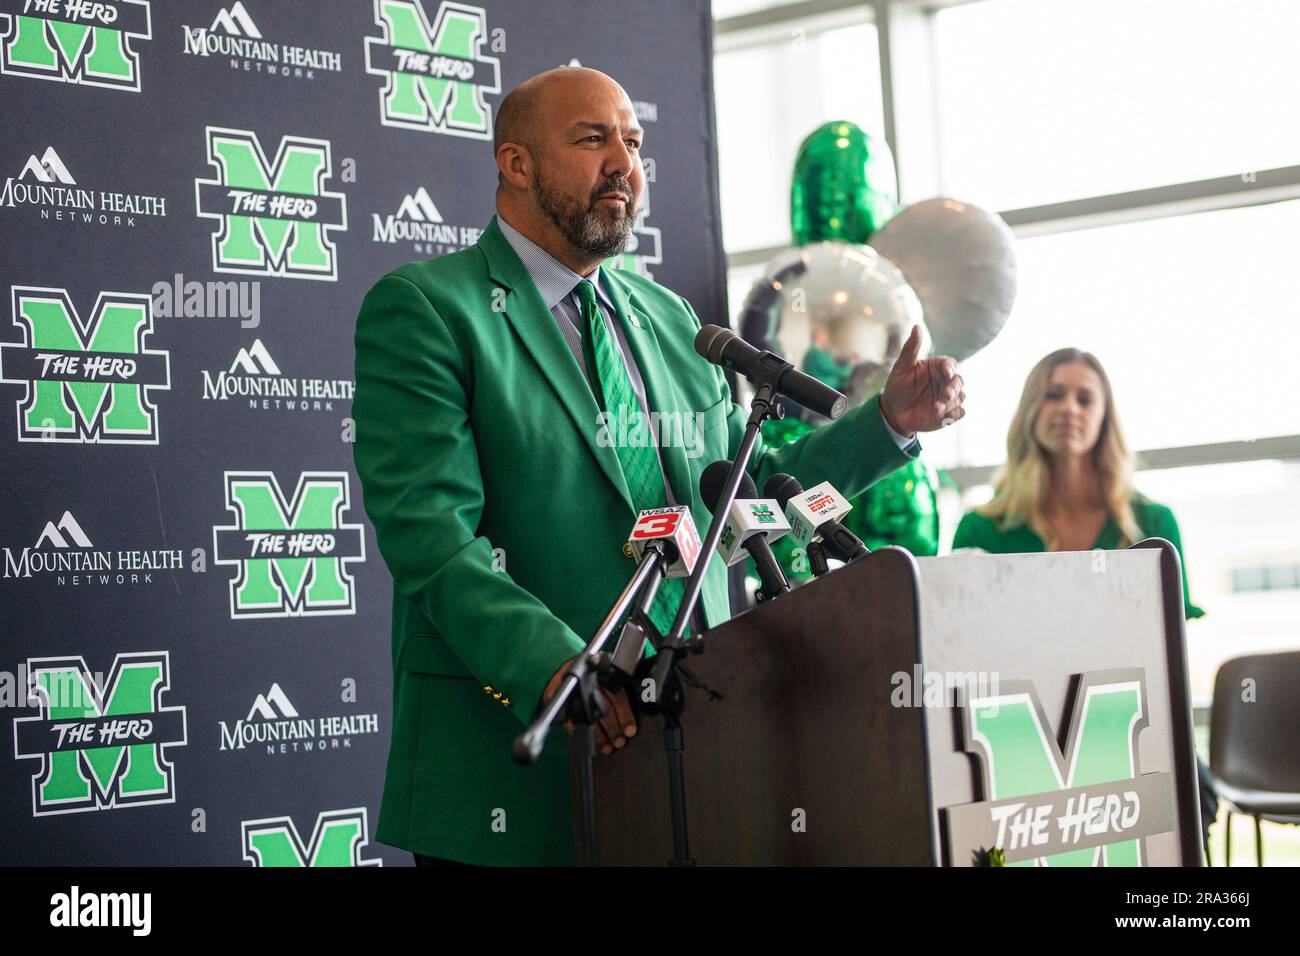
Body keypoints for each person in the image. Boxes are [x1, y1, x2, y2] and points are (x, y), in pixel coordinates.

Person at [352, 67, 966, 866]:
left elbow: (748, 494)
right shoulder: (431, 308)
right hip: (520, 776)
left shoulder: (669, 318)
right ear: (516, 164)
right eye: (592, 138)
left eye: (633, 142)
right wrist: (553, 664)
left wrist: (887, 424)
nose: (624, 162)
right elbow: (430, 537)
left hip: (693, 753)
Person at [951, 347, 1214, 853]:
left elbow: (1168, 655)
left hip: (1130, 723)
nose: (1068, 408)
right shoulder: (981, 527)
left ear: (1103, 419)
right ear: (1031, 412)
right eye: (1053, 395)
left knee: (1192, 791)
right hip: (1022, 729)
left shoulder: (1153, 525)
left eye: (1084, 398)